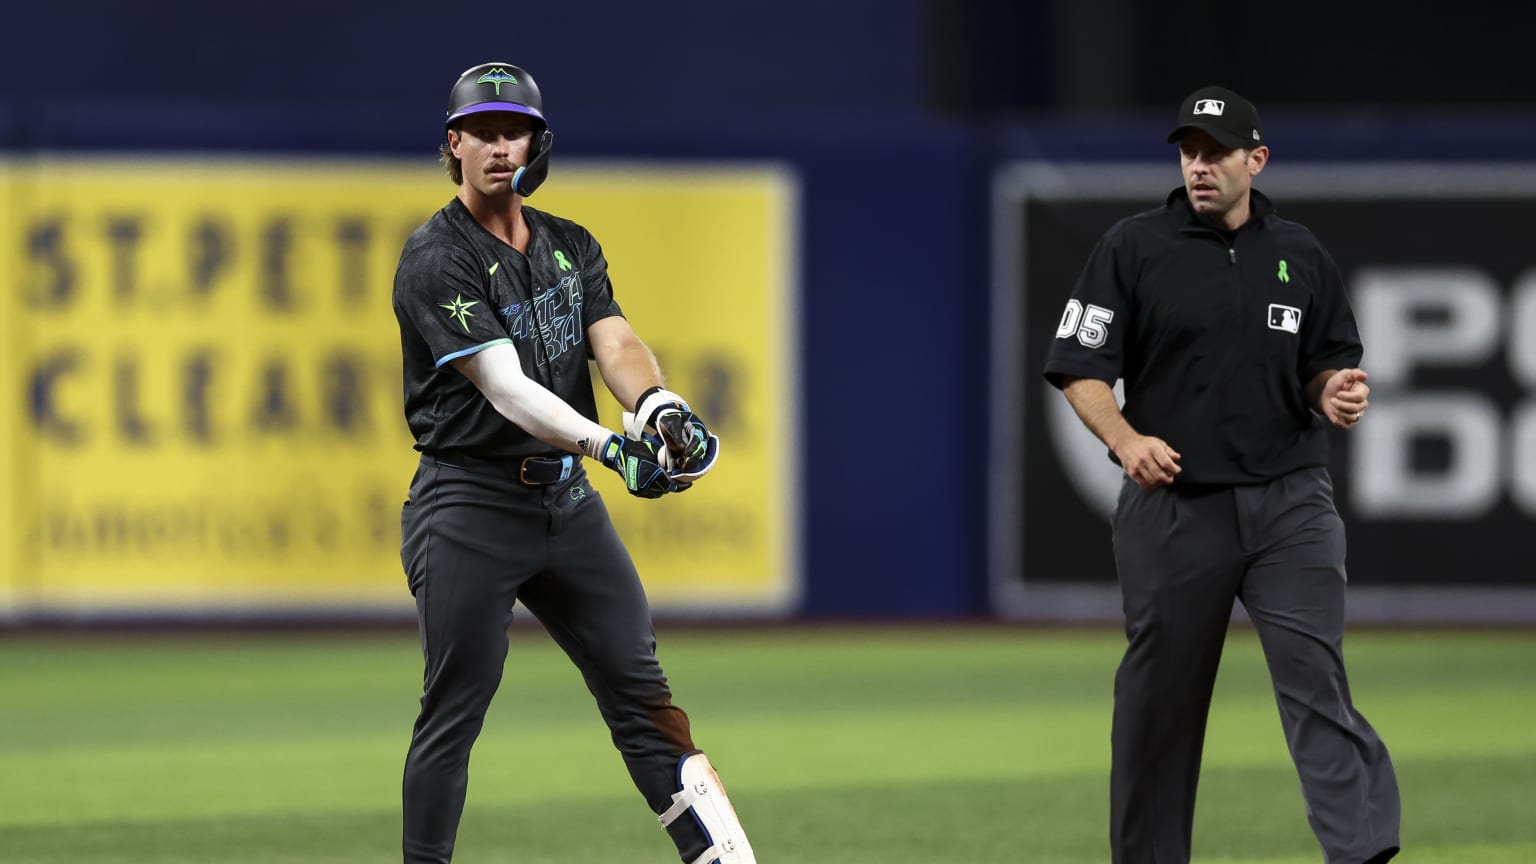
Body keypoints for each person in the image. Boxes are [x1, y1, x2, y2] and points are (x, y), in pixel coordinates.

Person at [391, 61, 753, 864]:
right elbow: (505, 388)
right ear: (452, 146)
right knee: (455, 711)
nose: (498, 147)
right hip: (468, 503)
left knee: (641, 693)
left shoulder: (570, 243)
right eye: (481, 132)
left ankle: (725, 860)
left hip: (564, 501)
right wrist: (612, 446)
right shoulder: (435, 257)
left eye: (512, 131)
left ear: (537, 144)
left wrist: (658, 407)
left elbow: (615, 341)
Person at [1043, 85, 1401, 864]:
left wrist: (1332, 391)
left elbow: (1326, 363)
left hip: (1291, 502)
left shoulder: (1299, 253)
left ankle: (1363, 853)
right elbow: (1079, 368)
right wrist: (1125, 439)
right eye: (1189, 152)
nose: (1199, 166)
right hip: (1176, 507)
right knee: (1159, 703)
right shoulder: (1133, 247)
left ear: (1255, 159)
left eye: (1217, 152)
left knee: (1315, 680)